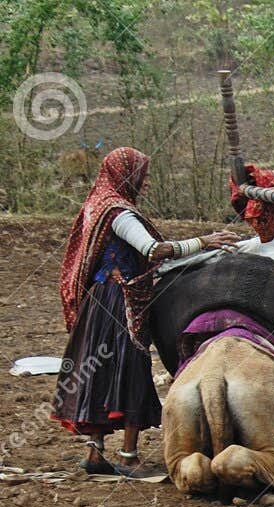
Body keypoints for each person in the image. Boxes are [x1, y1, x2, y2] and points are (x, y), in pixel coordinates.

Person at [54, 147, 239, 477]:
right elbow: (155, 250)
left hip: (99, 301)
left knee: (101, 369)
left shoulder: (98, 203)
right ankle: (129, 456)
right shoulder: (119, 212)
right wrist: (204, 241)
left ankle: (95, 452)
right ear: (126, 176)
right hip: (120, 301)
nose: (147, 182)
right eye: (142, 175)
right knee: (130, 368)